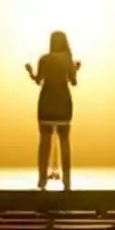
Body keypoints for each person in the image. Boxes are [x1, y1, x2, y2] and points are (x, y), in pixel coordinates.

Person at [25, 31, 81, 191]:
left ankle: (42, 178)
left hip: (46, 102)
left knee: (44, 141)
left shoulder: (44, 59)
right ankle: (67, 179)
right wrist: (75, 68)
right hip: (63, 102)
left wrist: (30, 72)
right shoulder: (67, 59)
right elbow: (73, 82)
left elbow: (38, 80)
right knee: (64, 141)